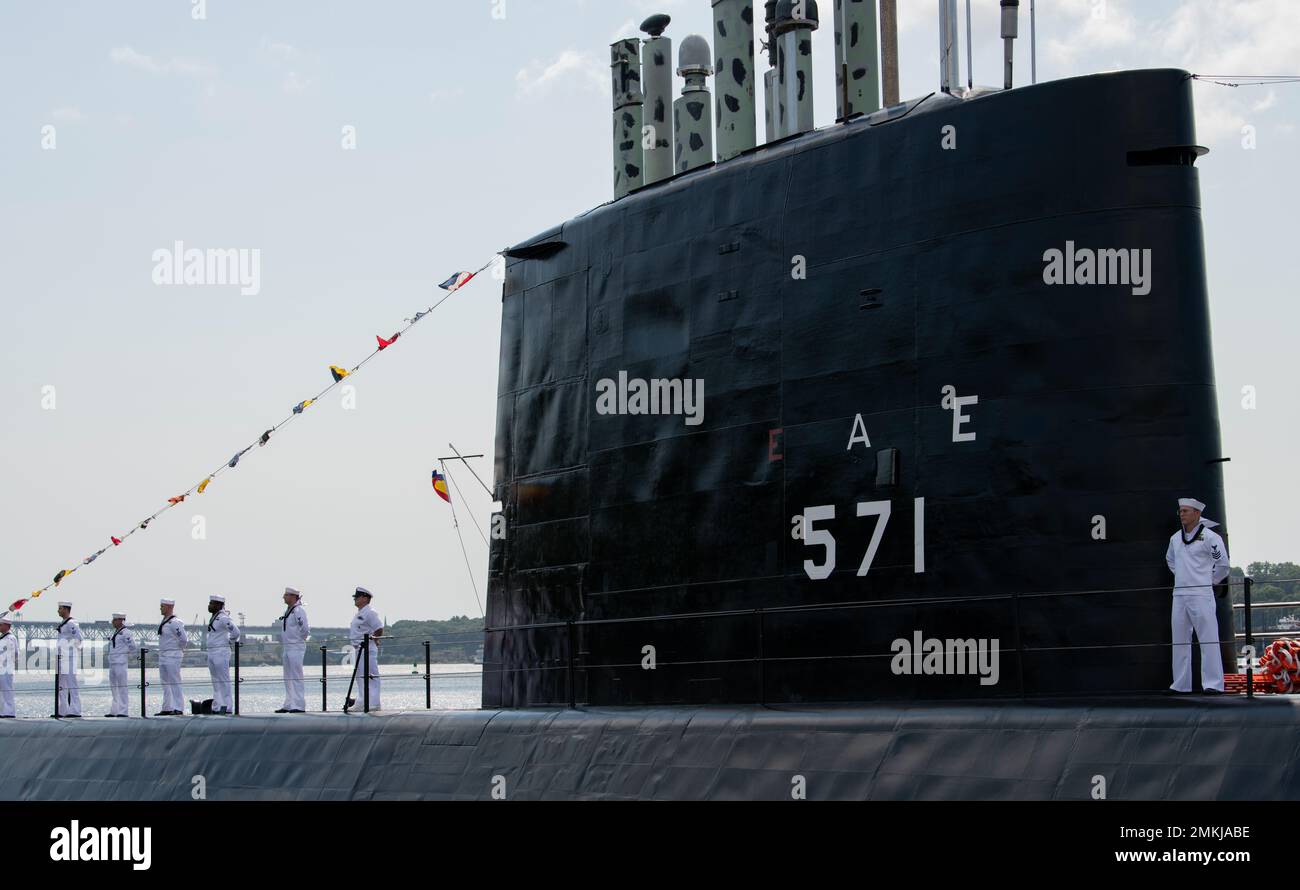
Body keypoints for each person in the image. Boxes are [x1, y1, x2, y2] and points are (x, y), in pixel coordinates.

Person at [1166, 497, 1230, 694]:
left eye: (1185, 511)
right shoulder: (1176, 538)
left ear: (1197, 513)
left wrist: (1209, 581)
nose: (1182, 514)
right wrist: (1184, 577)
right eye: (1180, 511)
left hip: (1201, 593)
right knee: (1179, 641)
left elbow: (1223, 565)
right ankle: (1181, 684)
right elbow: (1170, 560)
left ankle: (1213, 684)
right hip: (1180, 594)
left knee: (1208, 639)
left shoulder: (1211, 538)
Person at [205, 596, 240, 715]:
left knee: (223, 680)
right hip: (212, 652)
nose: (209, 605)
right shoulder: (215, 618)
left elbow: (235, 632)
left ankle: (227, 706)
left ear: (219, 605)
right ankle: (217, 705)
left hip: (221, 653)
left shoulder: (223, 618)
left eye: (212, 603)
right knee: (215, 680)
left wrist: (230, 641)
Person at [350, 587, 384, 711]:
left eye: (357, 597)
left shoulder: (370, 612)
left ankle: (374, 703)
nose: (355, 599)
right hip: (358, 648)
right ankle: (362, 701)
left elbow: (379, 628)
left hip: (367, 647)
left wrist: (374, 638)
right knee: (360, 677)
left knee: (371, 676)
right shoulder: (359, 613)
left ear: (365, 598)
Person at [276, 587, 310, 714]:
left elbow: (305, 629)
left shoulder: (299, 610)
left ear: (293, 596)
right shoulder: (289, 610)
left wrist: (298, 640)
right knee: (288, 677)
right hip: (287, 647)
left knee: (296, 676)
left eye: (286, 595)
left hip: (295, 646)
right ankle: (289, 703)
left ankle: (299, 704)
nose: (283, 597)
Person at [157, 599, 187, 715]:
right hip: (163, 656)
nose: (160, 608)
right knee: (165, 683)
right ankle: (167, 707)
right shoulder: (164, 621)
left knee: (175, 681)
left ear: (169, 607)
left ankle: (178, 707)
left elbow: (183, 639)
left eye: (162, 606)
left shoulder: (175, 622)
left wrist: (177, 650)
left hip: (173, 656)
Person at [53, 601, 83, 717]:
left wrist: (70, 651)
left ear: (66, 609)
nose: (58, 610)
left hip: (69, 657)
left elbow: (78, 639)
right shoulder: (63, 623)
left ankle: (75, 710)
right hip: (61, 658)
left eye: (60, 608)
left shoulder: (71, 623)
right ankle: (62, 709)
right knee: (61, 685)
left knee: (71, 683)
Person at [105, 612, 138, 717]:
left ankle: (123, 711)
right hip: (113, 663)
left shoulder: (126, 633)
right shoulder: (115, 632)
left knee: (122, 687)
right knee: (114, 688)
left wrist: (125, 654)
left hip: (120, 663)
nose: (112, 622)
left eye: (115, 620)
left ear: (121, 620)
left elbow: (133, 647)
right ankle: (114, 710)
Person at [0, 615, 17, 718]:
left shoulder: (10, 638)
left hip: (6, 669)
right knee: (2, 691)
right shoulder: (3, 638)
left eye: (0, 625)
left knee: (7, 690)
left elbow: (12, 654)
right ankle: (3, 711)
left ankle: (9, 712)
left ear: (7, 626)